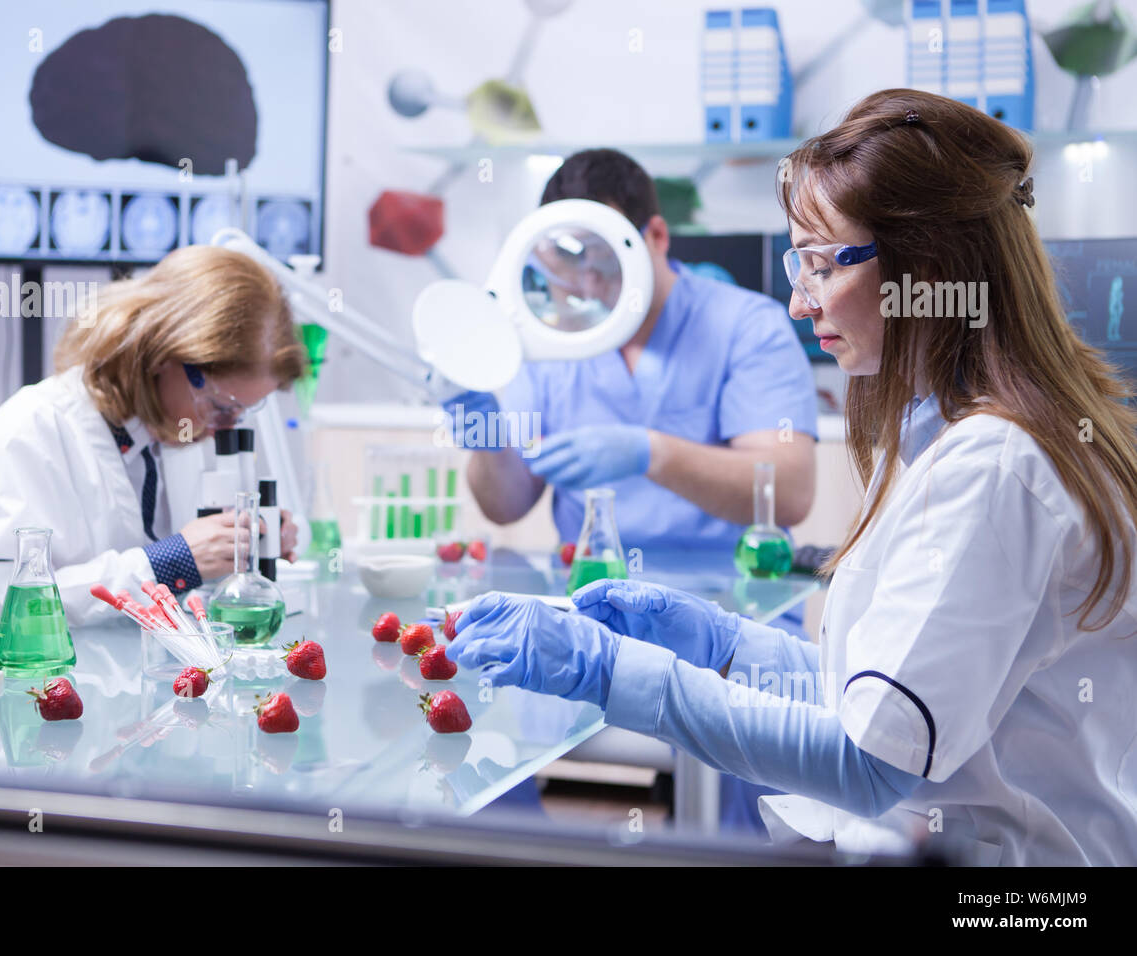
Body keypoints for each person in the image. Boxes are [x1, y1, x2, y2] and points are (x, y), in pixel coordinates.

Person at [445, 89, 1137, 865]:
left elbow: (866, 763)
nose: (800, 305)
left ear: (927, 267)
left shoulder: (995, 470)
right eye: (796, 265)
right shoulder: (943, 437)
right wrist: (723, 645)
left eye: (819, 263)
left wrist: (617, 673)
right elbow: (872, 695)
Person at [446, 149, 819, 831]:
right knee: (470, 709)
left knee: (744, 744)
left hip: (737, 608)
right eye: (567, 271)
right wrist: (482, 423)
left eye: (601, 264)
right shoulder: (550, 338)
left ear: (653, 238)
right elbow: (506, 502)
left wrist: (652, 452)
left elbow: (787, 490)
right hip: (591, 603)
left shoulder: (745, 326)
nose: (587, 287)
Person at [0, 245, 305, 629]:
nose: (226, 428)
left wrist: (239, 554)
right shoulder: (27, 433)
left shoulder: (176, 432)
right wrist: (168, 563)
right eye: (221, 406)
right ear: (162, 354)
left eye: (242, 412)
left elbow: (188, 595)